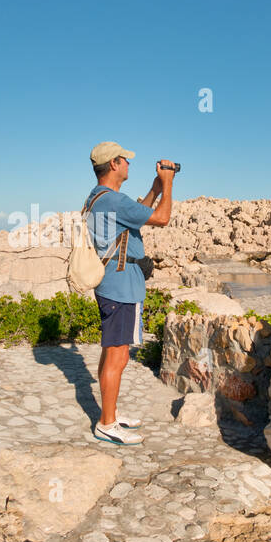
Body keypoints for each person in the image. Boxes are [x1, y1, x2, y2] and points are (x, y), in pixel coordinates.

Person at [83, 141, 175, 445]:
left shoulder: (100, 198)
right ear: (114, 164)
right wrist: (168, 183)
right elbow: (161, 218)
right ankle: (106, 424)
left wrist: (154, 190)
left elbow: (138, 214)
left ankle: (109, 412)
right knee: (118, 355)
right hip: (121, 287)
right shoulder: (115, 201)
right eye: (125, 160)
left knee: (111, 351)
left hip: (112, 283)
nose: (129, 164)